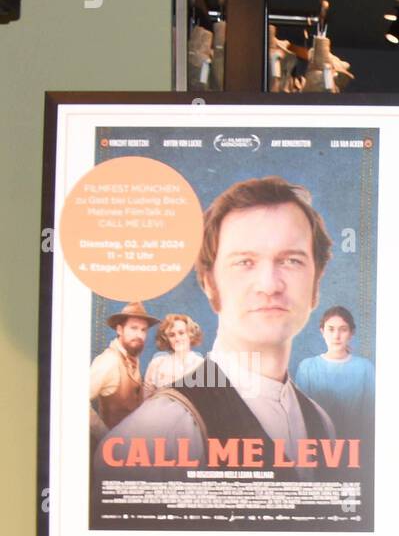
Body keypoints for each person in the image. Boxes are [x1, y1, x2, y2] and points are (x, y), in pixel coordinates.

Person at [96, 176, 337, 466]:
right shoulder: (155, 433)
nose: (269, 285)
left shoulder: (321, 423)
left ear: (316, 283)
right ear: (209, 283)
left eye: (291, 261)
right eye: (244, 262)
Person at [294, 305, 376, 441]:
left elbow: (371, 416)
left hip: (357, 445)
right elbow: (301, 416)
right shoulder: (307, 367)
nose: (336, 336)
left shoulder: (365, 368)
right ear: (322, 331)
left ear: (351, 333)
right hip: (317, 445)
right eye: (331, 329)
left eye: (343, 330)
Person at [88, 300, 158, 446]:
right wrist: (106, 438)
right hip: (115, 453)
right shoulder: (108, 361)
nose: (139, 335)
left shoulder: (132, 358)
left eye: (143, 330)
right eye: (133, 328)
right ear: (119, 329)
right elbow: (77, 401)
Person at [143, 313, 204, 392]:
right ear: (167, 339)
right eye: (172, 335)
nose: (177, 338)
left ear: (190, 335)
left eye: (181, 333)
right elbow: (147, 398)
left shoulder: (201, 364)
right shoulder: (157, 364)